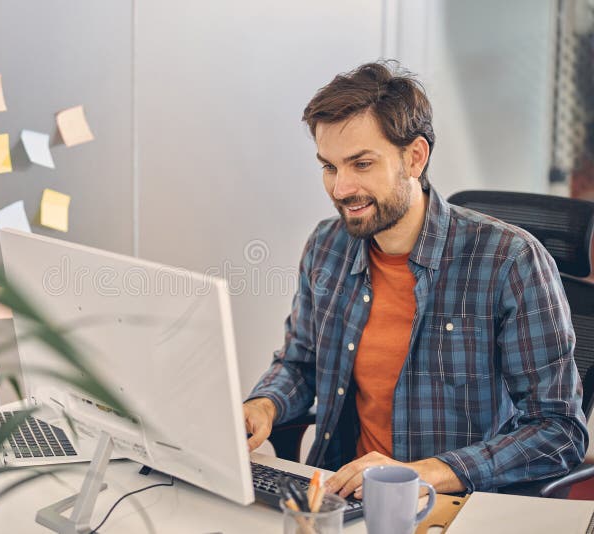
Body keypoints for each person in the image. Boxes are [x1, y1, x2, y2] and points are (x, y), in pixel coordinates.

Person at [243, 60, 588, 498]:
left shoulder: (510, 261)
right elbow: (301, 364)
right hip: (340, 497)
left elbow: (558, 430)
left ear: (415, 157)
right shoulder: (327, 246)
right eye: (329, 167)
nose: (341, 189)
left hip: (452, 505)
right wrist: (265, 404)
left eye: (361, 164)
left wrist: (422, 473)